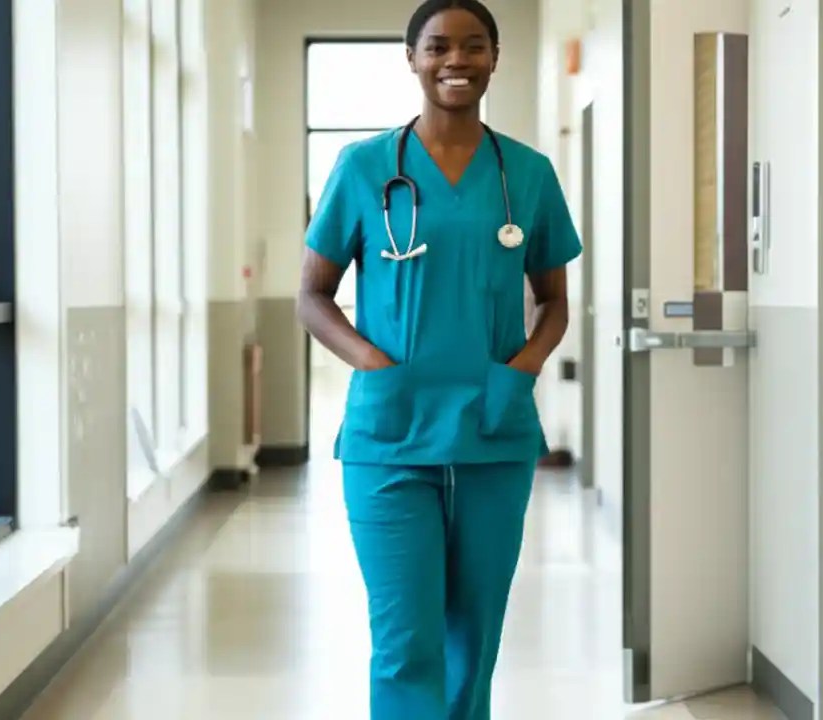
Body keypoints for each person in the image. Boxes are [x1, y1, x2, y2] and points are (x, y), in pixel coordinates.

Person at [296, 1, 582, 717]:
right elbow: (312, 296)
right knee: (405, 640)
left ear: (494, 57)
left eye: (474, 46)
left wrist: (521, 370)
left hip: (493, 427)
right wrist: (372, 364)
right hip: (391, 436)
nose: (456, 60)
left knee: (474, 636)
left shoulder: (529, 174)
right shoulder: (363, 168)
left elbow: (554, 302)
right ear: (412, 58)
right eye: (438, 47)